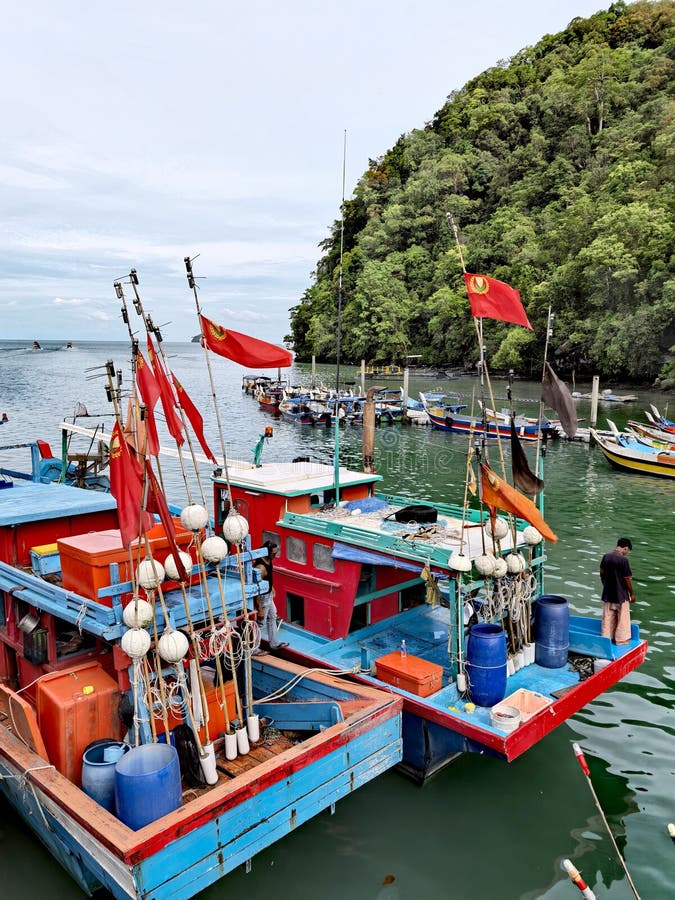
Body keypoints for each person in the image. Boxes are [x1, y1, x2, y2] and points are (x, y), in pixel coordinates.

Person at [600, 537, 636, 645]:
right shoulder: (624, 560)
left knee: (608, 617)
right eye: (627, 551)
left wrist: (605, 584)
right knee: (623, 618)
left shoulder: (606, 557)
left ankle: (606, 639)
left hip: (608, 593)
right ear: (625, 548)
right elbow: (627, 579)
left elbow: (601, 572)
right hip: (621, 594)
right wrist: (632, 594)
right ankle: (621, 640)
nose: (627, 553)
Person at [254, 541, 288, 651]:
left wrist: (271, 587)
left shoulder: (269, 560)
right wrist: (259, 609)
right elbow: (256, 590)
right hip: (262, 597)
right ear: (267, 553)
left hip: (268, 594)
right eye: (273, 553)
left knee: (273, 616)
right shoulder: (261, 568)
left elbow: (268, 578)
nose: (275, 555)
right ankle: (254, 648)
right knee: (260, 622)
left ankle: (274, 643)